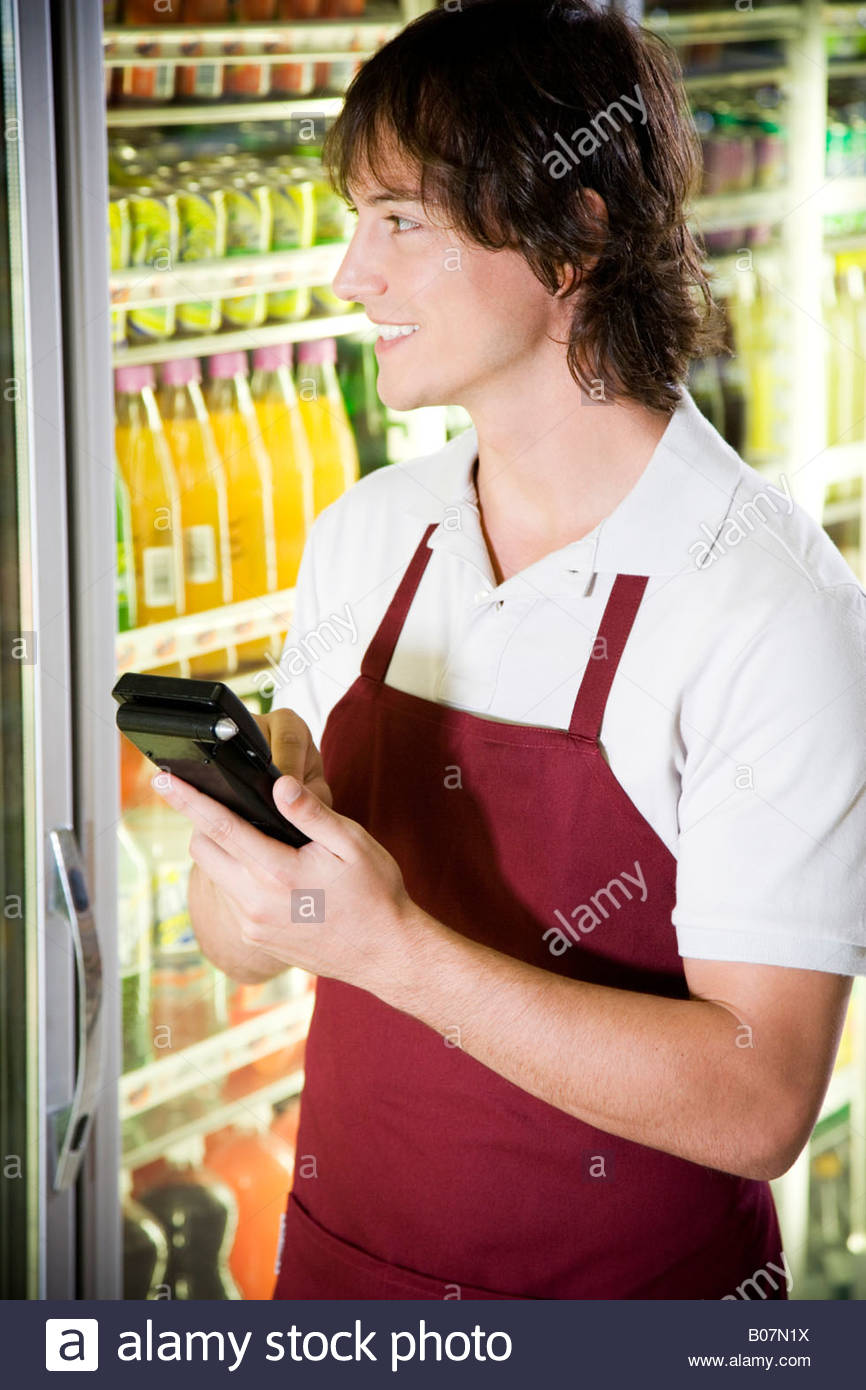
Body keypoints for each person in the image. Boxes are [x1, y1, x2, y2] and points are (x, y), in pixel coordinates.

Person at [163, 0, 866, 1299]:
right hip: (341, 1284)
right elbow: (250, 940)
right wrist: (248, 873)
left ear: (573, 238)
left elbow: (759, 1096)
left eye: (399, 222)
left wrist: (393, 946)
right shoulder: (366, 539)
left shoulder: (762, 602)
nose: (347, 277)